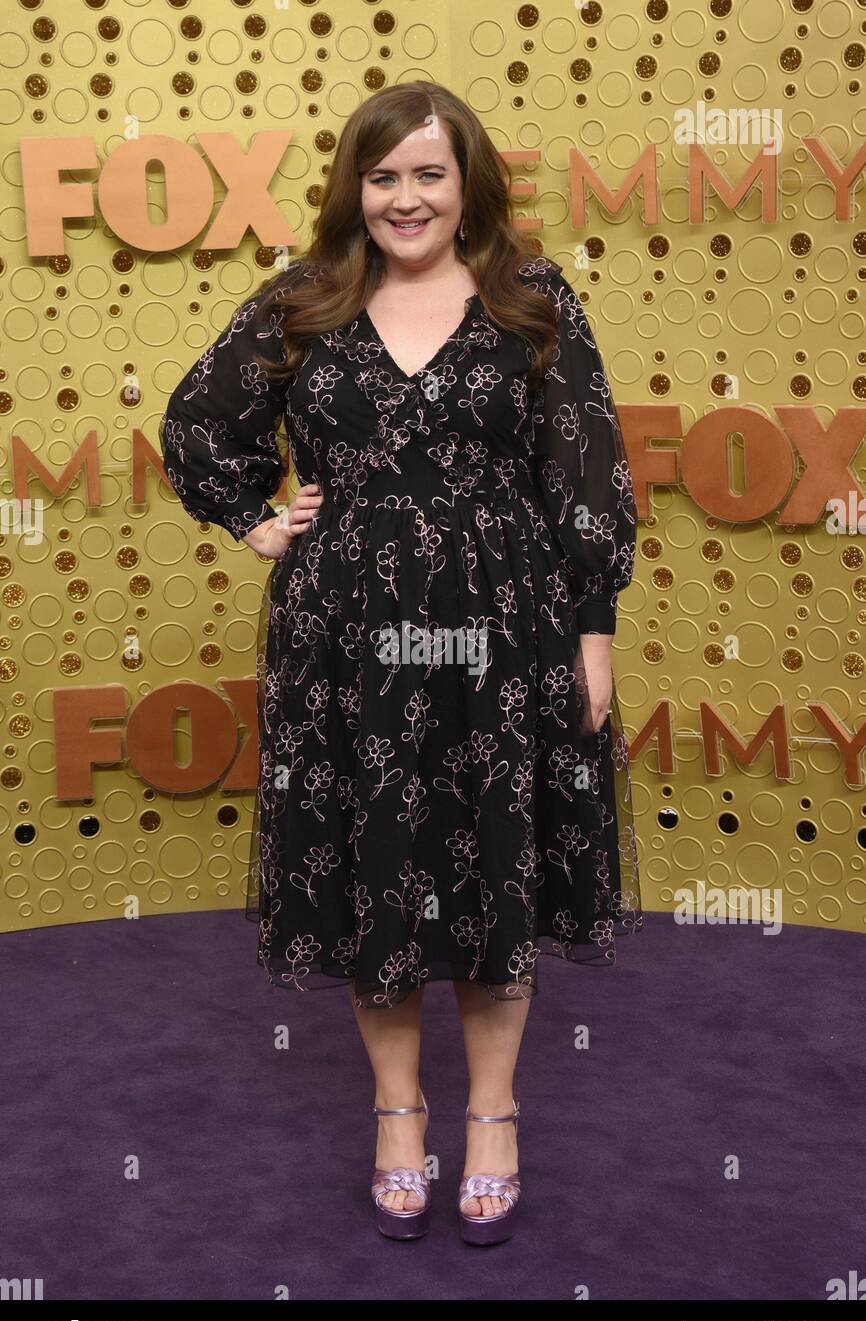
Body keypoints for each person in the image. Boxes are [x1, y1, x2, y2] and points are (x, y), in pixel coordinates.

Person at [159, 80, 642, 1246]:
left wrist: (591, 631)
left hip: (505, 635)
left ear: (468, 181)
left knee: (494, 870)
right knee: (373, 869)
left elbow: (586, 473)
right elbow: (194, 427)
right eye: (383, 176)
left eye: (429, 172)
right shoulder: (302, 306)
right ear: (353, 188)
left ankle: (490, 1117)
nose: (405, 197)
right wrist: (259, 518)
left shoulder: (533, 303)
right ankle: (394, 1114)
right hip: (345, 645)